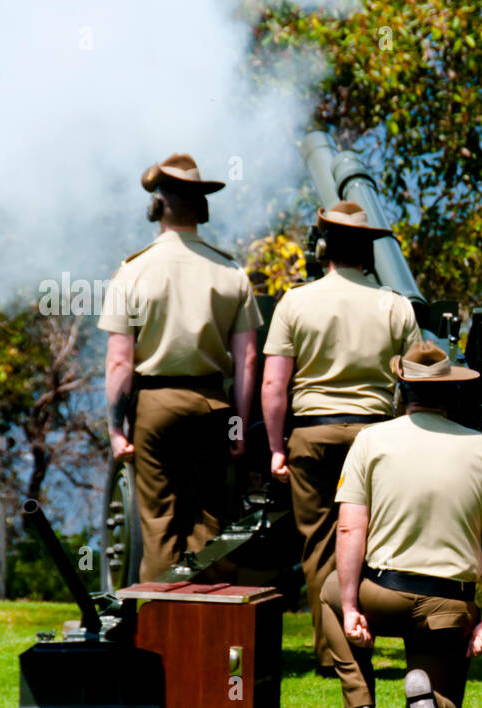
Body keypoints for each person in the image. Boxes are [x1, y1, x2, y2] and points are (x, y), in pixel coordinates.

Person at [317, 341, 482, 708]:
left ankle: (360, 707)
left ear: (400, 390)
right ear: (451, 393)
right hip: (448, 606)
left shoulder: (371, 440)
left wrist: (351, 607)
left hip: (384, 595)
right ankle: (432, 705)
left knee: (330, 589)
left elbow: (350, 530)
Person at [260, 201, 421, 672]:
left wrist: (274, 446)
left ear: (324, 247)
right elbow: (418, 381)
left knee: (318, 545)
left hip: (312, 434)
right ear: (368, 252)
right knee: (373, 543)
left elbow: (274, 384)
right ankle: (366, 633)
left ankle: (334, 653)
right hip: (375, 438)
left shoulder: (295, 301)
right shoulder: (395, 306)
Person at [100, 153, 261, 581]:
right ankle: (204, 638)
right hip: (213, 406)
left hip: (155, 407)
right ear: (202, 207)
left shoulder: (132, 272)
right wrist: (238, 429)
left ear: (157, 206)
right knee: (209, 530)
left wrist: (117, 430)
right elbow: (246, 361)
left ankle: (158, 635)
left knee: (159, 529)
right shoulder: (231, 273)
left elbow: (120, 362)